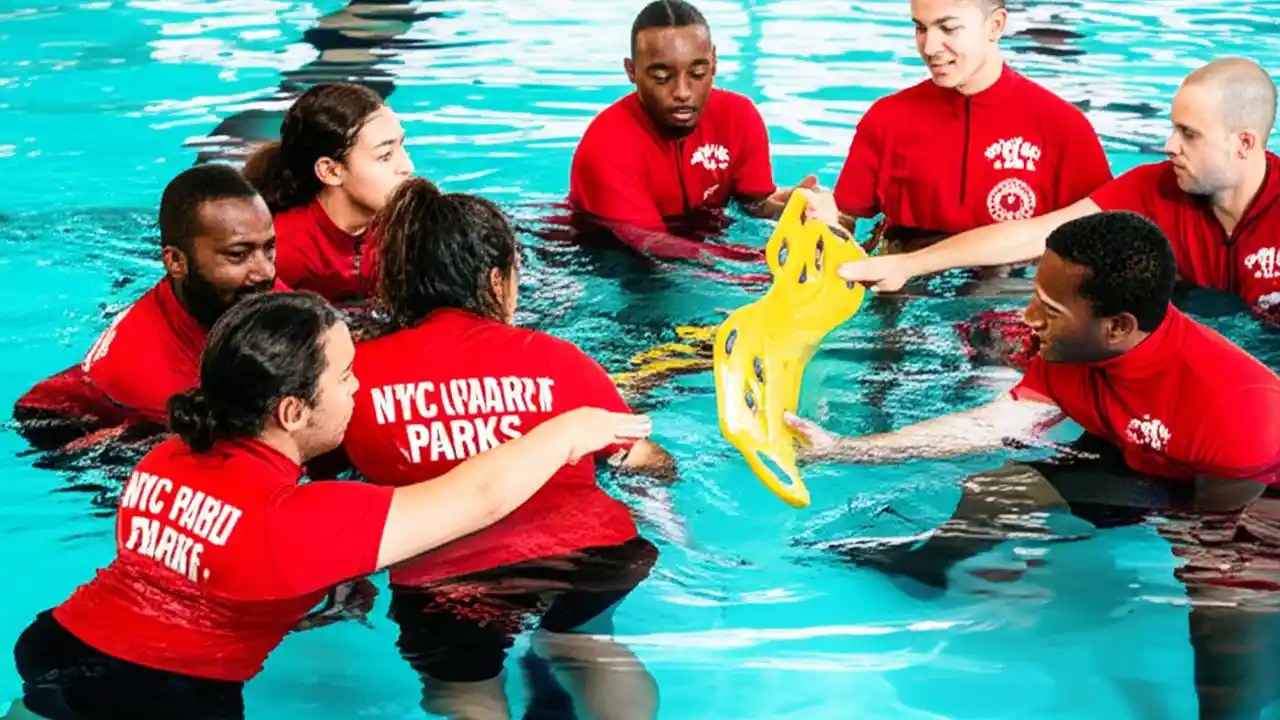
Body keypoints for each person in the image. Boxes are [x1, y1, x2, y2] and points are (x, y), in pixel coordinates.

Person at [8, 291, 650, 720]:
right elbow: (477, 497)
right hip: (159, 699)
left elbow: (191, 572)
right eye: (344, 377)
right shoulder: (299, 518)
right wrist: (569, 431)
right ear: (292, 411)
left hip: (58, 646)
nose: (358, 386)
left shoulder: (167, 458)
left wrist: (313, 592)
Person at [786, 211, 1280, 719]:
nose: (1027, 317)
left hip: (1254, 500)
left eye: (1049, 308)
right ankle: (927, 568)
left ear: (1118, 327)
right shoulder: (1071, 346)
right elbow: (994, 423)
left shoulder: (1238, 408)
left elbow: (1215, 537)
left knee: (1225, 646)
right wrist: (845, 449)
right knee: (995, 491)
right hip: (1152, 455)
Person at [342, 178, 675, 720]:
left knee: (466, 692)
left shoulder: (354, 377)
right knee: (590, 651)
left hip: (448, 583)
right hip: (588, 558)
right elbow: (644, 461)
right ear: (497, 279)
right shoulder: (559, 359)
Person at [832, 57, 1280, 327]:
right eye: (1171, 128)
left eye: (1188, 134)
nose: (1169, 145)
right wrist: (909, 265)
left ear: (1243, 143)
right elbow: (1036, 233)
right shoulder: (1155, 186)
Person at [12, 164, 280, 453]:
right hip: (74, 425)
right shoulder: (156, 382)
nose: (266, 272)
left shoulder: (240, 290)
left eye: (269, 248)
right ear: (176, 262)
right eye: (239, 255)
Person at [832, 0, 1111, 252]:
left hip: (1012, 292)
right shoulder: (887, 118)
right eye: (921, 28)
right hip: (904, 284)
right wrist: (808, 214)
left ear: (995, 25)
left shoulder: (1062, 127)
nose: (929, 48)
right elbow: (843, 220)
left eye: (949, 28)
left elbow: (1104, 240)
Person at [566, 0, 811, 265]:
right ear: (632, 71)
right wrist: (754, 262)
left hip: (698, 246)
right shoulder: (606, 145)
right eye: (661, 77)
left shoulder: (737, 117)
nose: (682, 92)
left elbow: (753, 205)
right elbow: (652, 246)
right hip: (603, 259)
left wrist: (794, 207)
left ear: (714, 63)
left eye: (697, 73)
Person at [242, 82, 414, 306]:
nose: (407, 166)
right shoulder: (285, 251)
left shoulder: (400, 227)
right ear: (331, 171)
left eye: (402, 146)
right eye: (385, 155)